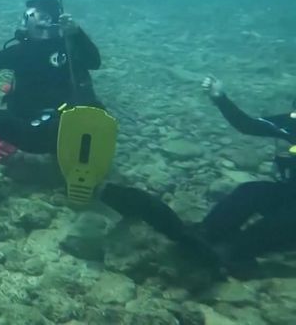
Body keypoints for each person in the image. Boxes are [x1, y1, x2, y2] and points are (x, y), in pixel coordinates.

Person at [100, 76, 296, 278]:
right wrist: (220, 98)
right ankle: (205, 234)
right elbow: (248, 125)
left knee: (284, 221)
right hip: (290, 191)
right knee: (250, 192)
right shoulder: (292, 122)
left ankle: (232, 252)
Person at [0, 0, 102, 203]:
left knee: (86, 113)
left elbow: (94, 61)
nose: (23, 22)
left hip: (60, 132)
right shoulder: (27, 50)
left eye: (28, 16)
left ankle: (79, 177)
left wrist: (77, 33)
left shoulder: (67, 46)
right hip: (46, 133)